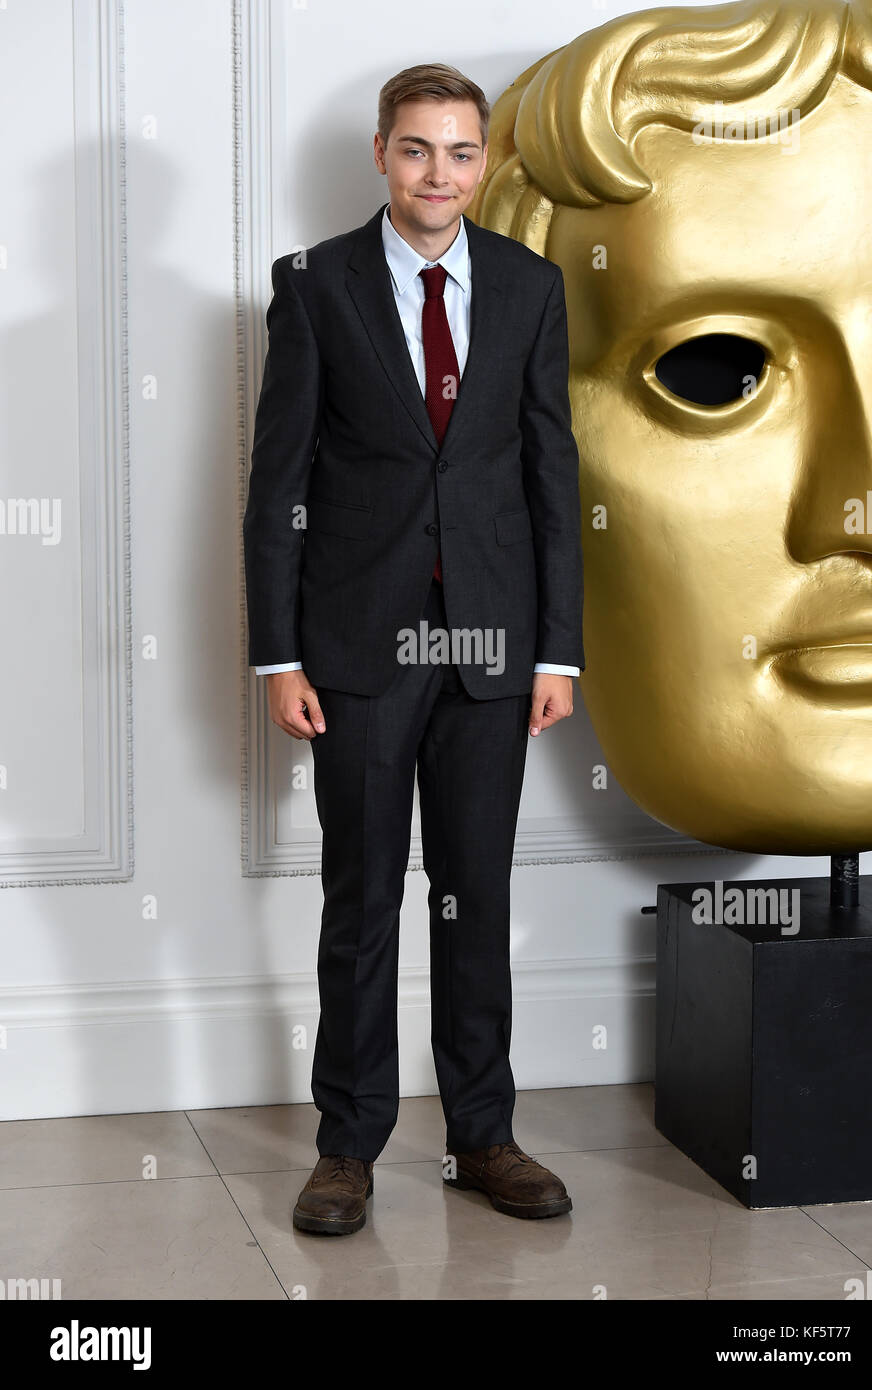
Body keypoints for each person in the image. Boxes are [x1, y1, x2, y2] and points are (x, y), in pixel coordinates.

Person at [243, 62, 584, 1236]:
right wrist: (278, 655)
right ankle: (347, 1146)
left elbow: (552, 473)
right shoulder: (316, 286)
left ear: (481, 161)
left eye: (459, 151)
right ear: (382, 156)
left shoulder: (533, 287)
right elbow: (276, 478)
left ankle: (483, 1135)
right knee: (362, 899)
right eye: (416, 150)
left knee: (475, 896)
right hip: (360, 647)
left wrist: (559, 651)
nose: (438, 173)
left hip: (494, 649)